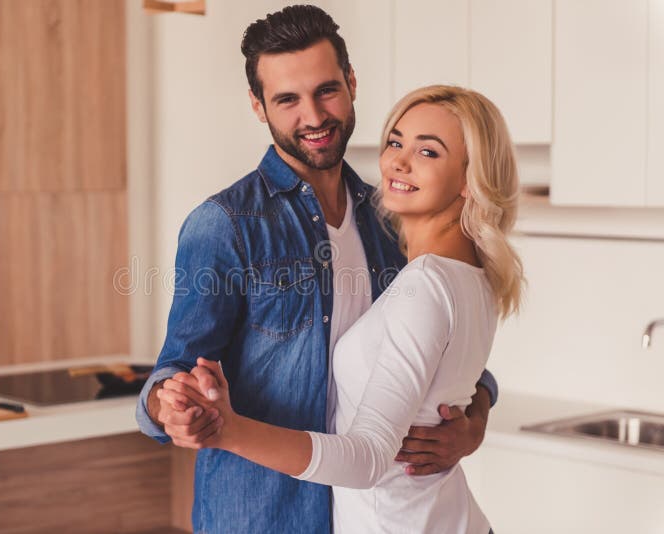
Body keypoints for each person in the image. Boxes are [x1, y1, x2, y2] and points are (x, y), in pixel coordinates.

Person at [135, 6, 499, 533]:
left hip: (370, 514)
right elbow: (172, 371)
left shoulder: (393, 220)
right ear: (259, 106)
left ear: (351, 84)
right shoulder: (226, 225)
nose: (313, 116)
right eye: (287, 99)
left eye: (326, 90)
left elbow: (445, 355)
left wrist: (474, 423)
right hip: (263, 516)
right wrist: (173, 408)